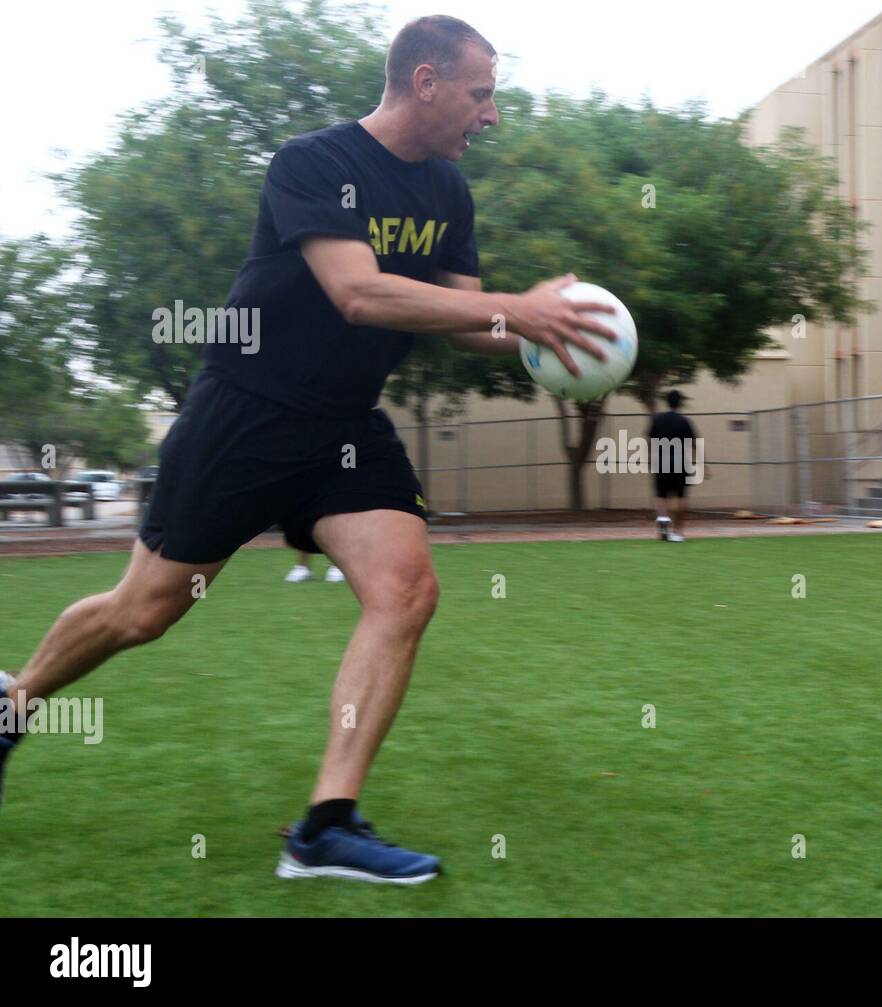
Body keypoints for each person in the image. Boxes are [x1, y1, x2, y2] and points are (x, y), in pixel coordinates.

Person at [0, 15, 615, 885]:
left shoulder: (448, 191)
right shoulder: (313, 163)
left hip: (344, 427)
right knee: (143, 611)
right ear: (427, 81)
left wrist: (544, 328)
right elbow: (357, 293)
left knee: (406, 590)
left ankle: (325, 826)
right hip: (245, 415)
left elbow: (470, 320)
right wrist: (514, 307)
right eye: (482, 93)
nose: (493, 115)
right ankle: (14, 701)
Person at [648, 390, 697, 542]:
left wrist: (650, 460)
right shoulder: (684, 421)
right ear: (680, 403)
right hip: (681, 462)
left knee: (661, 496)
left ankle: (663, 526)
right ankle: (678, 532)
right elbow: (693, 445)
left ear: (667, 402)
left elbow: (650, 442)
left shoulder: (658, 420)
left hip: (661, 461)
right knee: (681, 496)